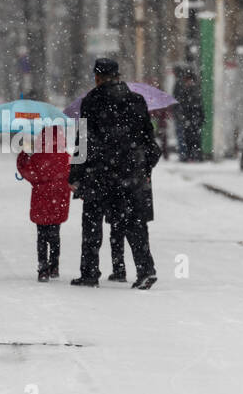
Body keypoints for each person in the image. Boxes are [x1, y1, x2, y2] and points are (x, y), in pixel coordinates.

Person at [68, 58, 161, 290]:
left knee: (92, 223)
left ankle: (89, 273)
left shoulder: (91, 101)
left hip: (98, 172)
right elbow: (149, 140)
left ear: (97, 77)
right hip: (130, 172)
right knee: (134, 222)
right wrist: (145, 167)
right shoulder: (136, 100)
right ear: (118, 75)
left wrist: (75, 174)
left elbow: (83, 140)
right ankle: (145, 270)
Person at [16, 123, 70, 281]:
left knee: (42, 235)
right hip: (59, 201)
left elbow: (26, 171)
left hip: (41, 201)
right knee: (55, 235)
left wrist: (24, 154)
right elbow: (73, 177)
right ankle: (54, 266)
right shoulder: (65, 157)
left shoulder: (38, 157)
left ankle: (43, 268)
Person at [173, 68, 205, 162]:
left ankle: (195, 155)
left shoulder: (193, 91)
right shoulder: (185, 91)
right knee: (189, 138)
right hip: (188, 119)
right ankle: (190, 156)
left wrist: (200, 118)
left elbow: (199, 106)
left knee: (194, 139)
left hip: (193, 119)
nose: (189, 82)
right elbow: (181, 105)